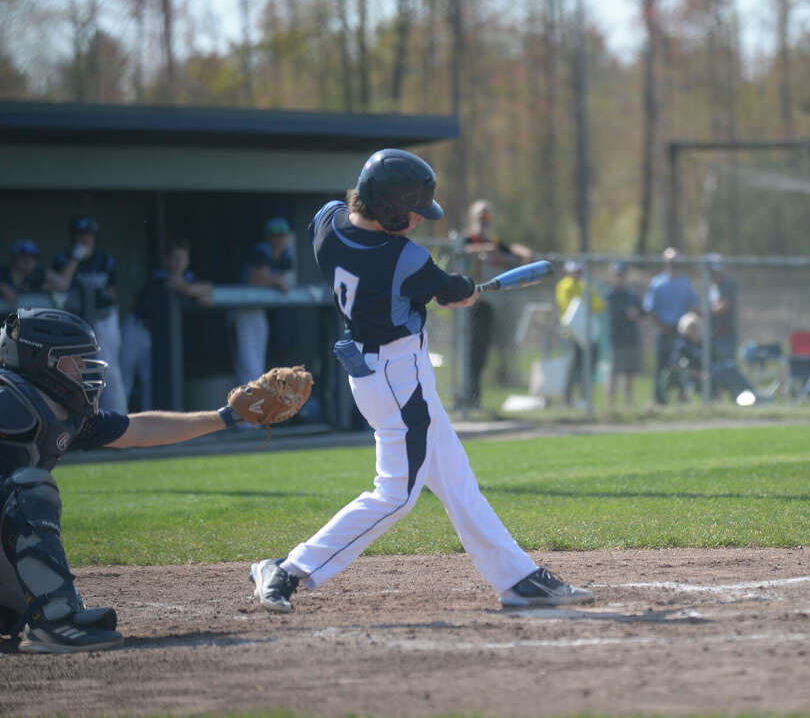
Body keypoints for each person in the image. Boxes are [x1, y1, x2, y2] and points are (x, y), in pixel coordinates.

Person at [249, 149, 591, 614]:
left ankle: (517, 578)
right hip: (396, 379)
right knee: (396, 495)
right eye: (412, 213)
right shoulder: (404, 257)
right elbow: (448, 289)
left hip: (377, 371)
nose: (418, 222)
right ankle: (288, 569)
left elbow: (418, 282)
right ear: (389, 209)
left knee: (456, 481)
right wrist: (460, 292)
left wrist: (442, 291)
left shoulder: (328, 221)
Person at [0, 307, 296, 653]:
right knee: (29, 489)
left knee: (27, 603)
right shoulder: (5, 399)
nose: (86, 368)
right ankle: (55, 626)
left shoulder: (57, 409)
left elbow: (141, 429)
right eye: (74, 361)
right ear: (40, 361)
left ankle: (52, 616)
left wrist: (226, 417)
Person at [120, 238, 215, 412]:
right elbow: (182, 287)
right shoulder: (160, 275)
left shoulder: (187, 277)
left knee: (150, 381)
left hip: (151, 334)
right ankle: (117, 420)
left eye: (182, 259)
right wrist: (196, 293)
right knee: (124, 379)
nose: (178, 263)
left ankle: (147, 424)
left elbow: (208, 288)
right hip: (135, 329)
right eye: (175, 258)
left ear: (187, 261)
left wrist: (196, 292)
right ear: (167, 260)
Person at [48, 218, 126, 414]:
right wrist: (75, 258)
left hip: (103, 318)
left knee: (109, 370)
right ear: (73, 237)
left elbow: (112, 290)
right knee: (75, 370)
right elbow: (61, 283)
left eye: (89, 235)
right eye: (80, 234)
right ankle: (83, 416)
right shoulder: (63, 258)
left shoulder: (104, 258)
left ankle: (118, 417)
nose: (84, 239)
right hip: (76, 321)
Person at [461, 200, 532, 408]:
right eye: (481, 216)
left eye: (488, 216)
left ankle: (475, 399)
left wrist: (523, 255)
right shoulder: (469, 239)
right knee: (470, 354)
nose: (484, 220)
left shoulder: (494, 242)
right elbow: (461, 250)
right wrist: (485, 248)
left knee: (482, 354)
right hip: (467, 305)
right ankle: (467, 398)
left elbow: (512, 248)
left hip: (487, 305)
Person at [234, 217, 293, 386]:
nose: (279, 239)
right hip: (243, 310)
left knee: (257, 366)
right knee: (249, 366)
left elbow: (285, 281)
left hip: (258, 311)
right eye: (275, 235)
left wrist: (276, 281)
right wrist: (276, 281)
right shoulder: (261, 250)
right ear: (268, 237)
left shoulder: (285, 253)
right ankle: (247, 401)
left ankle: (255, 401)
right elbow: (256, 278)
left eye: (282, 235)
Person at [643, 248, 700, 405]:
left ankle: (682, 398)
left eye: (675, 262)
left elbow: (694, 306)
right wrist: (661, 326)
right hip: (664, 331)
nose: (673, 265)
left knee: (682, 366)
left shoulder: (685, 283)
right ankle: (659, 400)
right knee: (661, 367)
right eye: (670, 262)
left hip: (682, 333)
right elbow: (650, 309)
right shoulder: (657, 283)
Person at [666, 312, 761, 406]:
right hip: (697, 376)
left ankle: (745, 397)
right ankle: (754, 394)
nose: (694, 330)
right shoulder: (682, 345)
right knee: (730, 369)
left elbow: (714, 358)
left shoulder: (702, 343)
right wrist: (698, 374)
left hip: (710, 371)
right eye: (691, 327)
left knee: (730, 368)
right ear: (684, 329)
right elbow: (678, 365)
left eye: (695, 327)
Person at [555, 259, 605, 407]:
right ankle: (567, 399)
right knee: (573, 366)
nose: (576, 275)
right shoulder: (564, 285)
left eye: (578, 272)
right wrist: (583, 306)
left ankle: (585, 398)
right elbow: (567, 306)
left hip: (586, 332)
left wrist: (584, 306)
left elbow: (599, 305)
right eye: (573, 272)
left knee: (588, 366)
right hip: (572, 333)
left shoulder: (585, 286)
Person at [605, 261, 643, 407]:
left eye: (622, 275)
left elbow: (642, 311)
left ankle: (628, 403)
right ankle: (611, 404)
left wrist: (636, 313)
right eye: (617, 275)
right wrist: (626, 313)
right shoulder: (611, 294)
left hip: (631, 337)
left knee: (629, 373)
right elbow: (613, 313)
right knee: (614, 372)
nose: (620, 277)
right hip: (617, 339)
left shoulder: (631, 294)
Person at [706, 254, 739, 364]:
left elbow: (725, 305)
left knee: (728, 365)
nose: (714, 274)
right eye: (712, 271)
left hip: (726, 335)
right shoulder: (709, 286)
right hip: (711, 334)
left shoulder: (729, 283)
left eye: (716, 271)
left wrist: (707, 311)